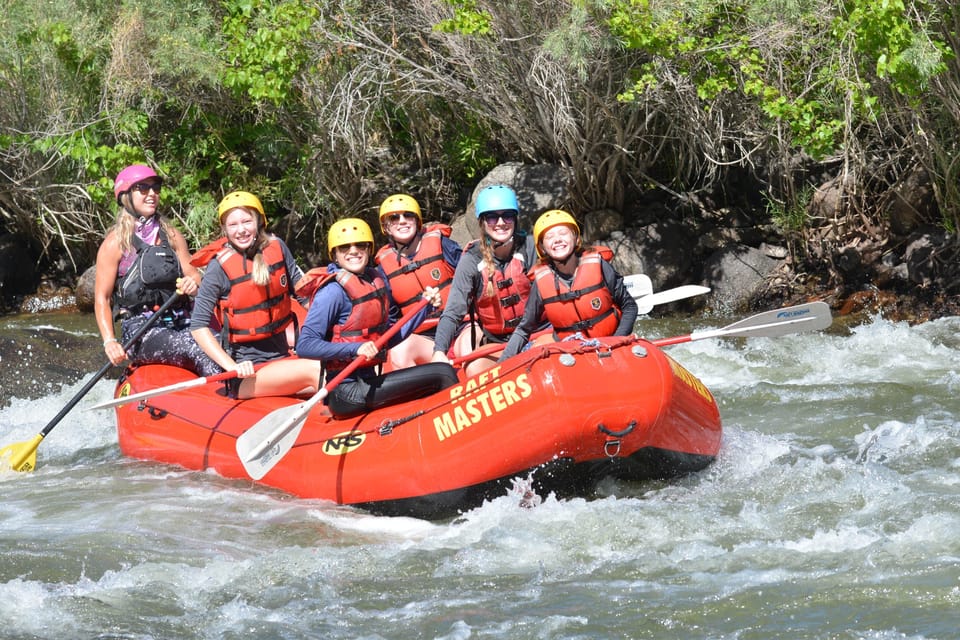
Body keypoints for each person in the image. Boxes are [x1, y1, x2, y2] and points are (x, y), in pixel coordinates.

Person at [296, 218, 459, 418]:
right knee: (442, 373)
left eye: (360, 245)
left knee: (434, 377)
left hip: (369, 382)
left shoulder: (374, 281)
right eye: (345, 247)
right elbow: (305, 345)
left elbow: (388, 338)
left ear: (369, 249)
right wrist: (355, 349)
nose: (354, 251)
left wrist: (423, 309)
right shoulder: (332, 292)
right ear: (335, 256)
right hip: (346, 392)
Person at [189, 191, 322, 399]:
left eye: (246, 221)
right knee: (317, 370)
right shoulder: (218, 267)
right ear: (224, 229)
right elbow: (198, 325)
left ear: (259, 222)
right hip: (248, 371)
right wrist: (231, 366)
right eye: (233, 225)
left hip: (282, 356)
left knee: (336, 370)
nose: (241, 230)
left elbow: (303, 295)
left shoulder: (277, 247)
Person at [94, 164, 219, 376]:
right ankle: (228, 393)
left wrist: (193, 285)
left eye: (156, 188)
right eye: (143, 188)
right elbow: (102, 299)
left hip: (182, 319)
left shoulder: (171, 235)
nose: (152, 193)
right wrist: (110, 342)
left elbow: (195, 277)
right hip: (141, 329)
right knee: (196, 348)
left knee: (220, 342)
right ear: (126, 196)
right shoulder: (115, 244)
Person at [430, 184, 545, 377]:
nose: (500, 222)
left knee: (543, 359)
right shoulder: (471, 261)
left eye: (507, 215)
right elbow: (453, 313)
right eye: (492, 217)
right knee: (474, 368)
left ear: (515, 219)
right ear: (483, 222)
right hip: (499, 343)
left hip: (538, 335)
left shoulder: (531, 248)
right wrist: (439, 351)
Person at [499, 209, 639, 360]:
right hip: (574, 354)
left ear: (576, 238)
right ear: (542, 248)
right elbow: (524, 329)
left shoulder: (599, 265)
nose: (557, 239)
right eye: (550, 237)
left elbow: (629, 306)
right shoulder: (541, 283)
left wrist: (616, 342)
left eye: (563, 233)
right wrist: (501, 364)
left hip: (612, 341)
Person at [374, 193, 462, 369]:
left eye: (408, 215)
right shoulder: (383, 271)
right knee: (399, 351)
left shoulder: (444, 245)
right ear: (386, 227)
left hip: (460, 326)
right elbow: (391, 318)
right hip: (425, 337)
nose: (402, 221)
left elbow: (471, 282)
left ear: (417, 220)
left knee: (465, 349)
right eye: (394, 218)